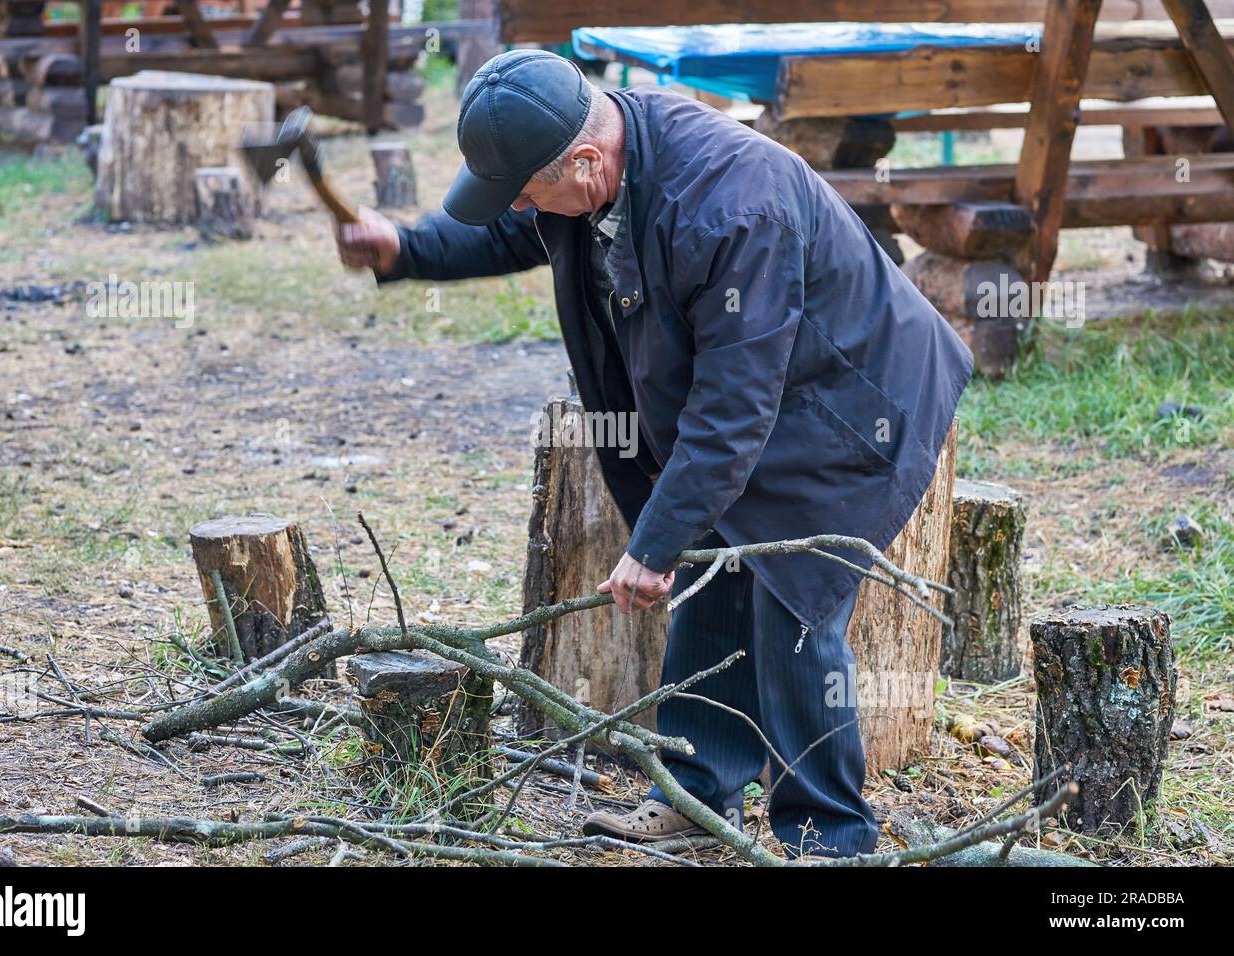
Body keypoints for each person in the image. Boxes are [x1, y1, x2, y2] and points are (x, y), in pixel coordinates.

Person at [336, 50, 973, 857]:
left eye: (532, 189)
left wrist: (653, 544)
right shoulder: (588, 146)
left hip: (850, 403)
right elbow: (514, 226)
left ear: (586, 162)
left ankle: (828, 838)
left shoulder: (733, 208)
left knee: (792, 604)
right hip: (757, 393)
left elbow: (733, 410)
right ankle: (695, 791)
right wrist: (406, 246)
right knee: (711, 578)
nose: (528, 207)